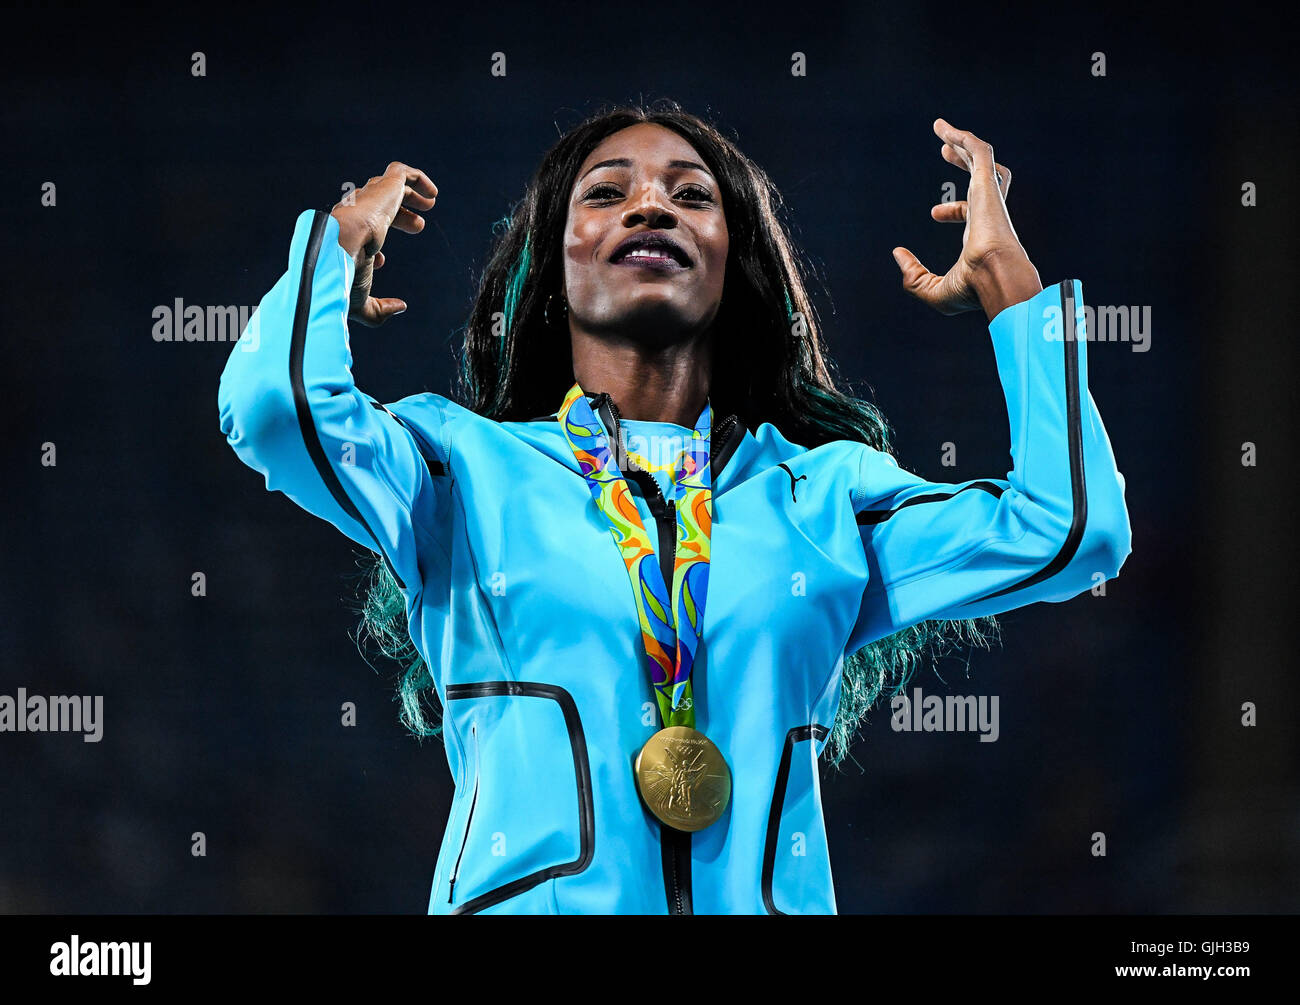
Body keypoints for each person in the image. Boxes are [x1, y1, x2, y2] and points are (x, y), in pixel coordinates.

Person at [217, 102, 1131, 914]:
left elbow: (1072, 529)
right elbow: (273, 409)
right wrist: (332, 247)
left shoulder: (822, 495)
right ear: (554, 264)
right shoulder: (460, 473)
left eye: (692, 196)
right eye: (606, 193)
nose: (650, 206)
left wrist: (1011, 284)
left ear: (734, 264)